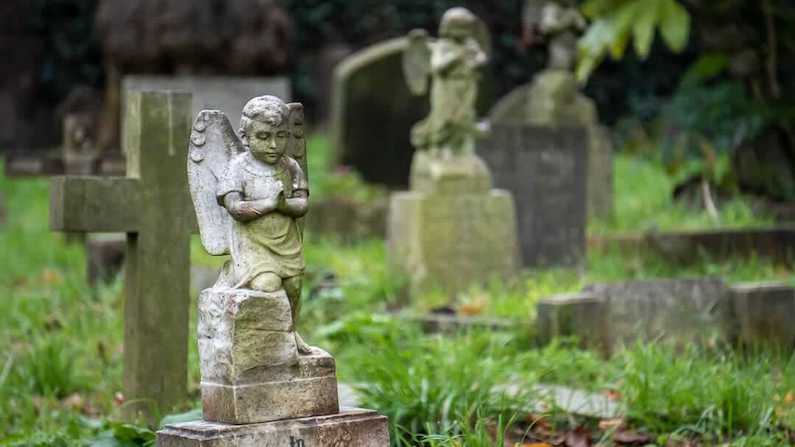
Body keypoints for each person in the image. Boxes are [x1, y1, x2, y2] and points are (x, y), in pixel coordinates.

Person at [216, 95, 312, 353]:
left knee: (293, 286)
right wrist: (269, 204)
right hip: (253, 245)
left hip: (286, 242)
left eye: (281, 136)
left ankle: (291, 334)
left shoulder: (290, 166)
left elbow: (302, 204)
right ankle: (265, 344)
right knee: (267, 285)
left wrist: (284, 207)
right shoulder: (237, 168)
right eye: (263, 137)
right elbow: (235, 208)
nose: (273, 144)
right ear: (245, 137)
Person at [411, 7, 488, 155]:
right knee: (444, 117)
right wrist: (458, 55)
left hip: (467, 84)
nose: (466, 33)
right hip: (447, 87)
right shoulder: (443, 46)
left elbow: (481, 58)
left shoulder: (470, 44)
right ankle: (438, 146)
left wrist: (476, 60)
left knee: (464, 115)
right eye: (462, 28)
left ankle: (459, 147)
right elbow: (437, 66)